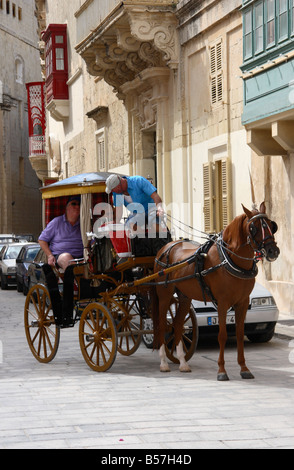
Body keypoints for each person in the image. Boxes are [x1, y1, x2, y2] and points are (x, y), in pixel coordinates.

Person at [38, 195, 84, 270]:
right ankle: (74, 280)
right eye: (73, 204)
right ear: (66, 208)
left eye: (79, 204)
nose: (77, 206)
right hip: (60, 256)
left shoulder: (84, 223)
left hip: (81, 256)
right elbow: (42, 240)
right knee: (66, 257)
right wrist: (50, 256)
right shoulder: (56, 222)